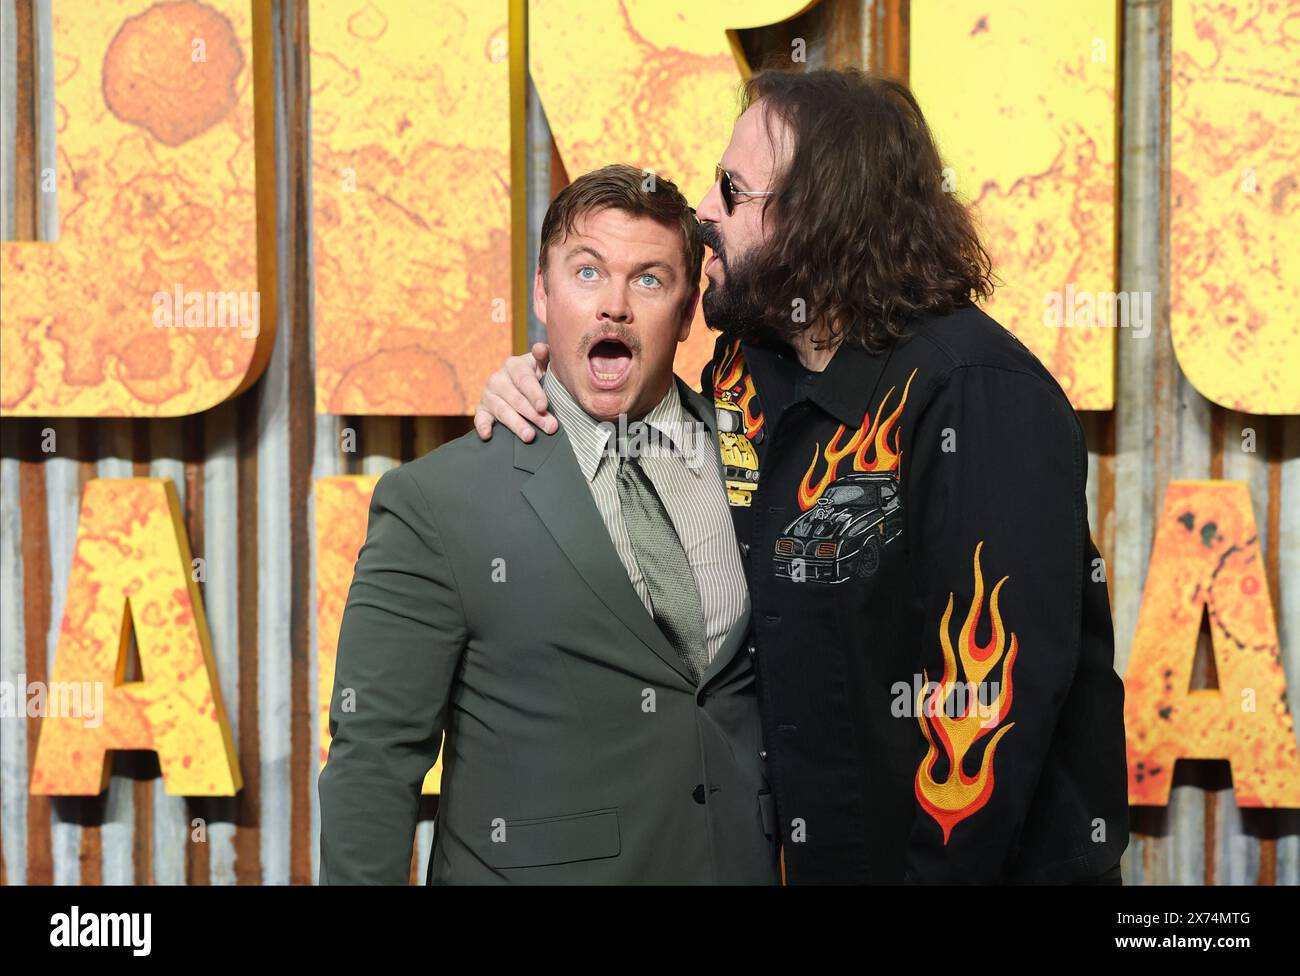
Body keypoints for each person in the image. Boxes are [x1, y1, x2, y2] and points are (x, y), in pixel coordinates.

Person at [474, 69, 1130, 884]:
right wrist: (536, 388)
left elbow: (988, 706)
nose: (704, 214)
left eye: (731, 190)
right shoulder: (746, 373)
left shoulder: (975, 394)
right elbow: (642, 441)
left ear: (818, 217)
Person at [319, 164, 779, 884]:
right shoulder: (437, 502)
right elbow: (372, 762)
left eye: (650, 280)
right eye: (588, 272)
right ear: (543, 291)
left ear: (688, 311)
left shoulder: (758, 459)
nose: (615, 307)